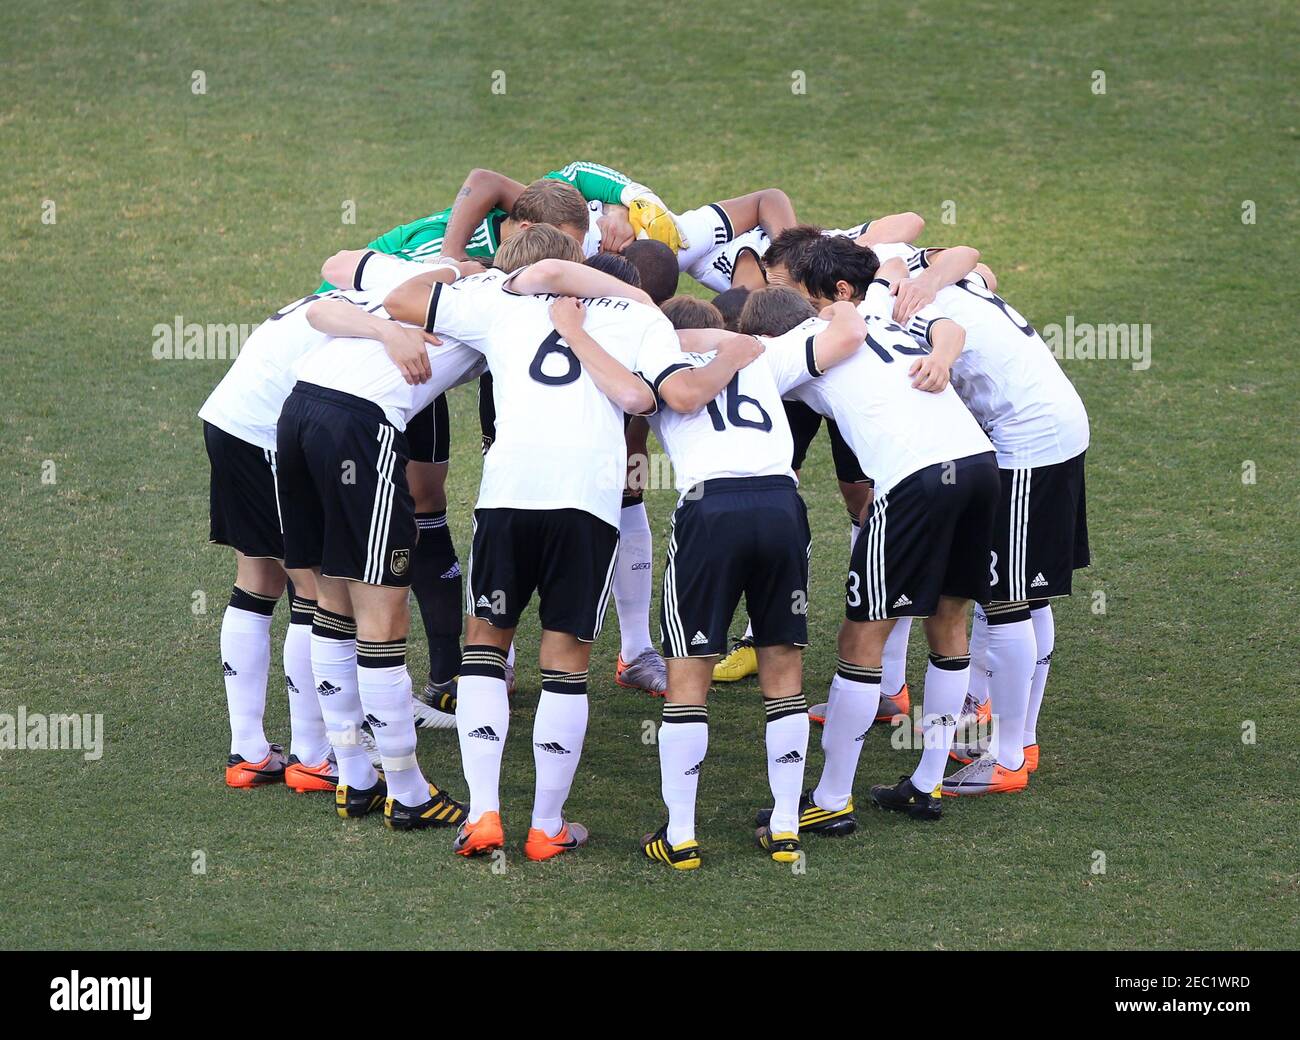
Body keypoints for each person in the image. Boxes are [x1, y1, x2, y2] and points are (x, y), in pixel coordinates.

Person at [381, 240, 677, 860]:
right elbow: (643, 399)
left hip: (508, 496)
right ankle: (546, 827)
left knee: (485, 648)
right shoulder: (644, 317)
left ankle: (484, 815)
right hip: (587, 503)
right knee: (565, 662)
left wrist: (469, 269)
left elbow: (401, 299)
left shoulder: (504, 302)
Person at [742, 249, 997, 827]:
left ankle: (831, 801)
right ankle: (927, 784)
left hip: (916, 480)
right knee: (949, 621)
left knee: (862, 638)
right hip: (978, 464)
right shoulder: (871, 309)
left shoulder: (787, 351)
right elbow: (901, 274)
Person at [636, 299, 869, 868]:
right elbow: (844, 337)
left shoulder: (650, 354)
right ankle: (785, 828)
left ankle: (681, 835)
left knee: (688, 674)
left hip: (710, 507)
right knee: (784, 669)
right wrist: (840, 306)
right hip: (780, 505)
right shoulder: (759, 352)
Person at [869, 245, 1090, 792]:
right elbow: (971, 257)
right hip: (1050, 425)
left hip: (1027, 440)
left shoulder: (900, 303)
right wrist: (928, 278)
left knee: (1009, 599)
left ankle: (1010, 756)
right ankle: (1017, 740)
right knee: (1027, 592)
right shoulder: (932, 275)